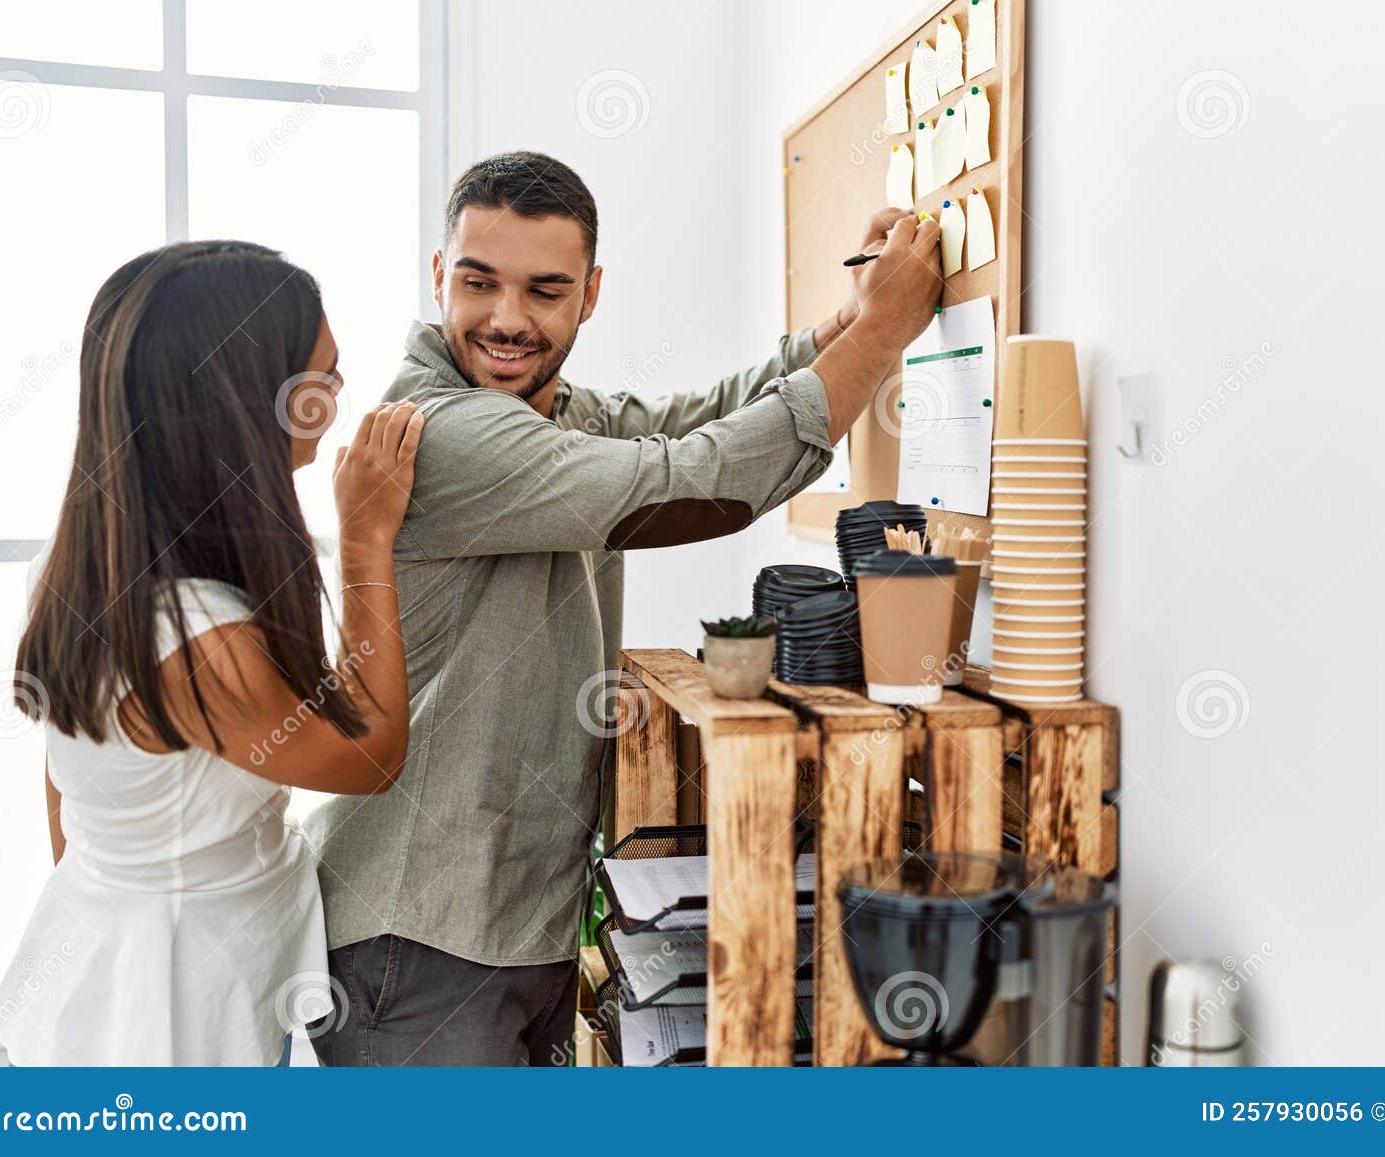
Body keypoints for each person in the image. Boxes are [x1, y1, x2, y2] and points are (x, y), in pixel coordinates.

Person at [305, 151, 941, 1066]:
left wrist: (843, 324)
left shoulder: (548, 413)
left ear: (591, 294)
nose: (508, 319)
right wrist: (882, 335)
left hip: (507, 922)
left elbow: (694, 420)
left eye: (546, 290)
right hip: (420, 939)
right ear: (439, 275)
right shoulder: (444, 431)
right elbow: (688, 483)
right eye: (479, 282)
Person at [0, 240, 423, 1065]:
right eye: (321, 377)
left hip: (122, 944)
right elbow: (371, 753)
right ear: (242, 404)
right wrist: (366, 536)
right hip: (168, 1003)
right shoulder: (199, 640)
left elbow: (62, 778)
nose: (337, 395)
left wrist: (115, 894)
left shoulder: (90, 557)